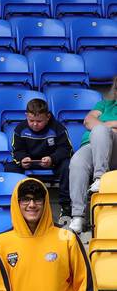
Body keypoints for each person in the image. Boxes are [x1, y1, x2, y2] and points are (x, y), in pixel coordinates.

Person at [0, 178, 94, 291]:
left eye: (37, 199)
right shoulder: (1, 242)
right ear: (16, 203)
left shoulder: (66, 238)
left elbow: (86, 286)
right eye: (25, 199)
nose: (32, 204)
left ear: (45, 202)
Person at [65, 77, 117, 233]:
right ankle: (78, 217)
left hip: (115, 149)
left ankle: (100, 177)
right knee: (77, 161)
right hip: (92, 145)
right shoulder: (104, 104)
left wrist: (103, 127)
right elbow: (88, 121)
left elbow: (95, 125)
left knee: (100, 130)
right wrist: (112, 125)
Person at [10, 98, 73, 220]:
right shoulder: (20, 129)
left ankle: (66, 207)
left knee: (68, 166)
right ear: (26, 116)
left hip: (52, 162)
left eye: (39, 121)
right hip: (29, 162)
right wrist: (22, 160)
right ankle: (17, 203)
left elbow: (66, 149)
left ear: (48, 117)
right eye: (31, 120)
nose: (34, 124)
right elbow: (16, 151)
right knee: (10, 167)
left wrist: (52, 158)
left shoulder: (58, 128)